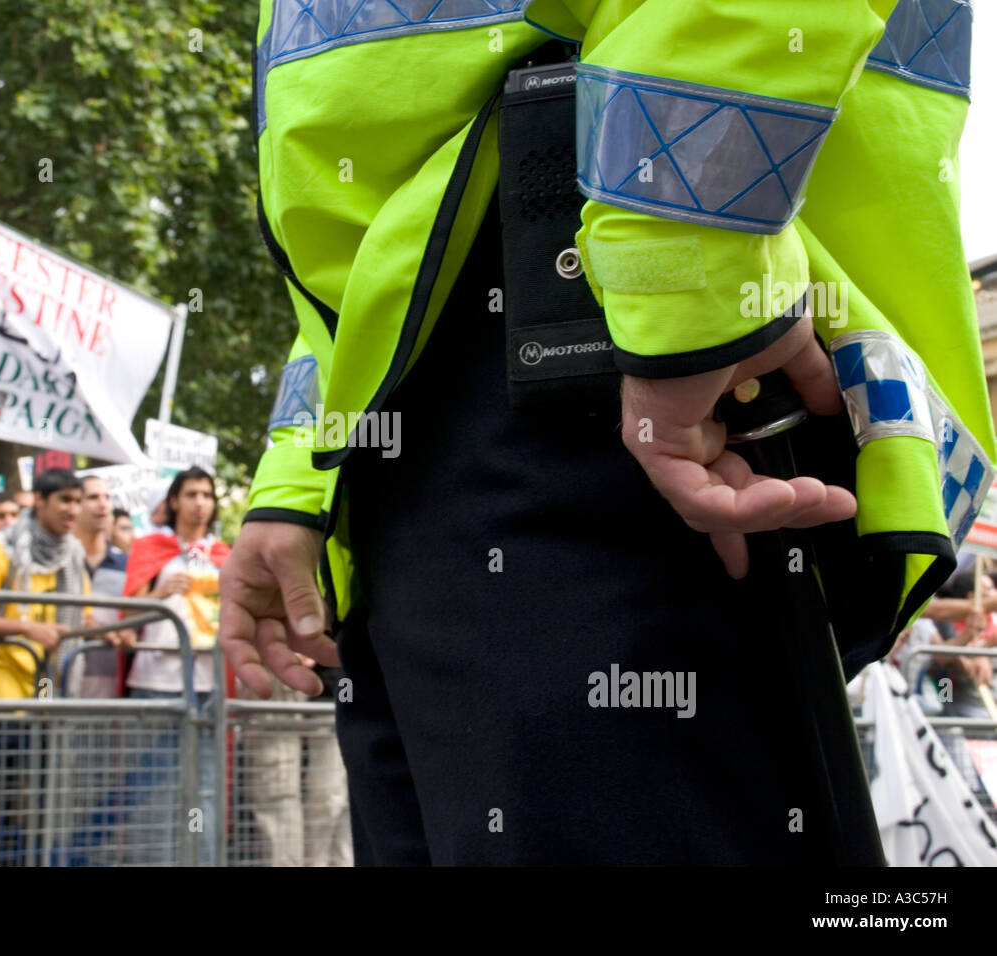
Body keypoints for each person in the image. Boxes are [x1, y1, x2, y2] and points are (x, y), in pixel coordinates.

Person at [220, 2, 993, 865]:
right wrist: (297, 476)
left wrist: (684, 272)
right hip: (411, 436)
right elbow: (345, 247)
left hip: (612, 333)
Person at [122, 466, 229, 864]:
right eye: (191, 494)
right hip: (156, 683)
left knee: (203, 790)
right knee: (154, 790)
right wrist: (160, 592)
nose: (200, 502)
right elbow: (124, 619)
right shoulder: (150, 547)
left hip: (208, 685)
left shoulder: (224, 555)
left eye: (207, 494)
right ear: (173, 501)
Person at [0, 468, 89, 699]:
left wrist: (113, 634)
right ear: (39, 499)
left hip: (47, 682)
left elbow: (84, 617)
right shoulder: (1, 547)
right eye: (65, 500)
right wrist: (28, 629)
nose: (73, 510)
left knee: (48, 734)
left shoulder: (74, 555)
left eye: (78, 501)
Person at [62, 475, 130, 697]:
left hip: (109, 690)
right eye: (92, 497)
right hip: (52, 679)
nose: (102, 504)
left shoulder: (127, 564)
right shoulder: (55, 560)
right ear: (74, 505)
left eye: (107, 497)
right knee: (44, 724)